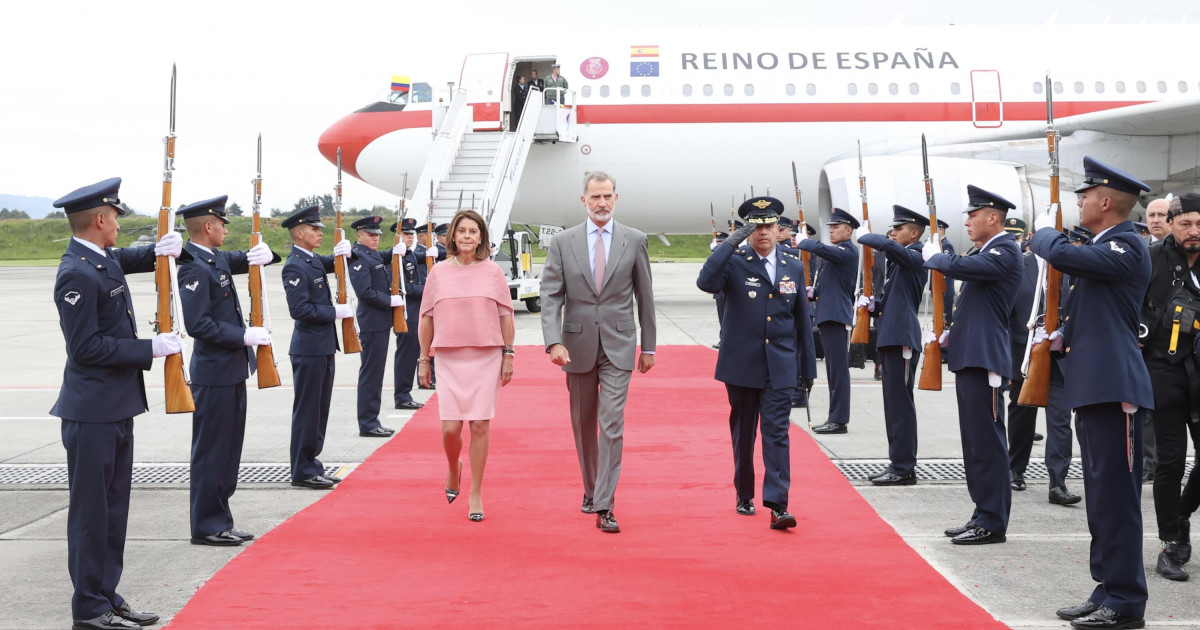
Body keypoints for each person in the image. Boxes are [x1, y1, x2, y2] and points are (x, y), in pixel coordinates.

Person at [50, 177, 180, 630]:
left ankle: (107, 595)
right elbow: (85, 348)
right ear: (100, 219)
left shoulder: (98, 260)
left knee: (114, 511)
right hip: (91, 412)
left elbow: (124, 258)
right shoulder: (76, 274)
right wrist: (149, 349)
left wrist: (163, 247)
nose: (121, 225)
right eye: (117, 217)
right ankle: (89, 608)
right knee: (91, 515)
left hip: (116, 406)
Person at [1028, 156, 1153, 629]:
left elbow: (1063, 255)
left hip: (1114, 386)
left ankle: (1125, 602)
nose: (1078, 202)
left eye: (1084, 196)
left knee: (1117, 498)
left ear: (1106, 201)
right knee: (1101, 496)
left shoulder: (1125, 244)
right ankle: (1106, 588)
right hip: (1093, 383)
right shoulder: (1104, 246)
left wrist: (1044, 234)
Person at [540, 171, 656, 534]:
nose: (602, 203)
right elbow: (550, 296)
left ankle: (605, 503)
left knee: (611, 423)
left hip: (619, 346)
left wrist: (648, 346)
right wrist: (553, 341)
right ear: (584, 201)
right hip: (575, 347)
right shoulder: (563, 242)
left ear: (616, 199)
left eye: (607, 196)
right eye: (595, 197)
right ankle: (591, 490)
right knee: (583, 424)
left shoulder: (634, 240)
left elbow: (645, 297)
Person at [697, 196, 815, 529]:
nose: (763, 232)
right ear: (747, 230)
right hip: (742, 364)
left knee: (777, 433)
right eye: (756, 226)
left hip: (780, 365)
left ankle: (779, 504)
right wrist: (731, 241)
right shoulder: (734, 261)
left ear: (780, 229)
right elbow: (706, 282)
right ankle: (744, 493)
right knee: (744, 432)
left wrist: (807, 369)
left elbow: (801, 321)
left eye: (768, 225)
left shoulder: (793, 265)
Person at [923, 185, 1022, 546]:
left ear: (993, 218)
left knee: (988, 444)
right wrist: (951, 334)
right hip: (972, 355)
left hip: (986, 360)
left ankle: (993, 522)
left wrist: (936, 256)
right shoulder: (988, 251)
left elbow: (961, 267)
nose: (967, 221)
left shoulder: (1004, 250)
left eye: (973, 214)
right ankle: (982, 513)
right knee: (974, 444)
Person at [177, 195, 278, 548]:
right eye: (221, 223)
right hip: (214, 373)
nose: (224, 229)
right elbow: (199, 324)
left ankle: (221, 518)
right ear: (208, 226)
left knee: (229, 451)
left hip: (231, 370)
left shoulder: (214, 258)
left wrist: (268, 253)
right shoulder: (193, 267)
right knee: (212, 452)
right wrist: (243, 335)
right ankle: (206, 524)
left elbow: (246, 259)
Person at [417, 209, 515, 522]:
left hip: (486, 355)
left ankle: (476, 492)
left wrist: (509, 354)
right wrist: (423, 359)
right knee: (450, 429)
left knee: (480, 425)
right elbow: (427, 318)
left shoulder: (493, 272)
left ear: (481, 237)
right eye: (462, 231)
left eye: (473, 231)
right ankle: (452, 466)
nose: (468, 236)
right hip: (449, 356)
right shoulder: (439, 272)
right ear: (452, 237)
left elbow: (505, 316)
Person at [1140, 192, 1200, 582]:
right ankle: (1170, 542)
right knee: (1170, 460)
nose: (1194, 232)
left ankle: (1181, 512)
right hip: (1165, 370)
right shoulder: (1152, 259)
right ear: (1172, 223)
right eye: (1186, 224)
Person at [280, 204, 353, 490]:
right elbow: (299, 310)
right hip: (309, 348)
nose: (319, 233)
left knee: (319, 410)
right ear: (299, 233)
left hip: (322, 346)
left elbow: (334, 263)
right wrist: (335, 313)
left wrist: (347, 252)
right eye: (314, 229)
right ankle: (302, 469)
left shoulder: (310, 260)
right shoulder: (295, 265)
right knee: (308, 411)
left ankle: (312, 463)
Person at [857, 206, 929, 485]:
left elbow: (890, 248)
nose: (893, 233)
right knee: (893, 405)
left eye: (898, 229)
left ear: (914, 233)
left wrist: (869, 236)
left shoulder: (916, 254)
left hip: (902, 338)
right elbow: (895, 299)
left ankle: (903, 468)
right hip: (891, 335)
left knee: (900, 406)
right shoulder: (902, 260)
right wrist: (874, 305)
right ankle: (897, 463)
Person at [796, 207, 860, 434]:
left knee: (839, 371)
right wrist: (815, 290)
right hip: (827, 314)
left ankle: (839, 419)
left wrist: (805, 242)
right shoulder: (836, 252)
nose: (832, 231)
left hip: (836, 316)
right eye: (830, 227)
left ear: (849, 230)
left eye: (837, 227)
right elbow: (830, 281)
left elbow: (823, 251)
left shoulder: (848, 251)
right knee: (833, 370)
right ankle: (835, 416)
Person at [347, 215, 403, 438]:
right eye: (370, 235)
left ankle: (372, 419)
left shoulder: (370, 253)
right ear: (359, 236)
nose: (376, 238)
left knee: (376, 372)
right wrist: (390, 300)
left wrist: (396, 251)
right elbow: (365, 292)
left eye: (377, 235)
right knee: (371, 373)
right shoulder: (358, 256)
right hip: (372, 323)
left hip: (380, 322)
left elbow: (381, 258)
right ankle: (368, 422)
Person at [391, 218, 425, 408]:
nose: (410, 237)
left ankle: (406, 394)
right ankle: (402, 396)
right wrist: (428, 289)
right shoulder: (395, 257)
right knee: (406, 355)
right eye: (406, 234)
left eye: (411, 234)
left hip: (416, 312)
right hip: (406, 313)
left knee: (413, 354)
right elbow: (406, 288)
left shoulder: (410, 255)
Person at [938, 219, 957, 330]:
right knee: (939, 316)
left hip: (944, 285)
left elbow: (947, 264)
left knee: (946, 317)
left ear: (942, 231)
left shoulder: (946, 245)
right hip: (938, 285)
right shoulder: (938, 244)